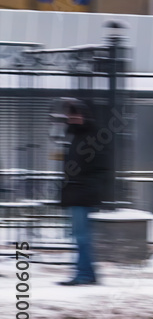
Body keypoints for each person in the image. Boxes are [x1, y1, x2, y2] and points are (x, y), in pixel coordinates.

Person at [59, 98, 109, 286]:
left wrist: (87, 185)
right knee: (81, 236)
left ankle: (84, 274)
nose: (72, 118)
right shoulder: (74, 136)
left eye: (75, 114)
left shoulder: (90, 137)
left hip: (82, 193)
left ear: (83, 116)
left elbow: (99, 167)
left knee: (81, 237)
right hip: (77, 192)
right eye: (70, 115)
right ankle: (88, 273)